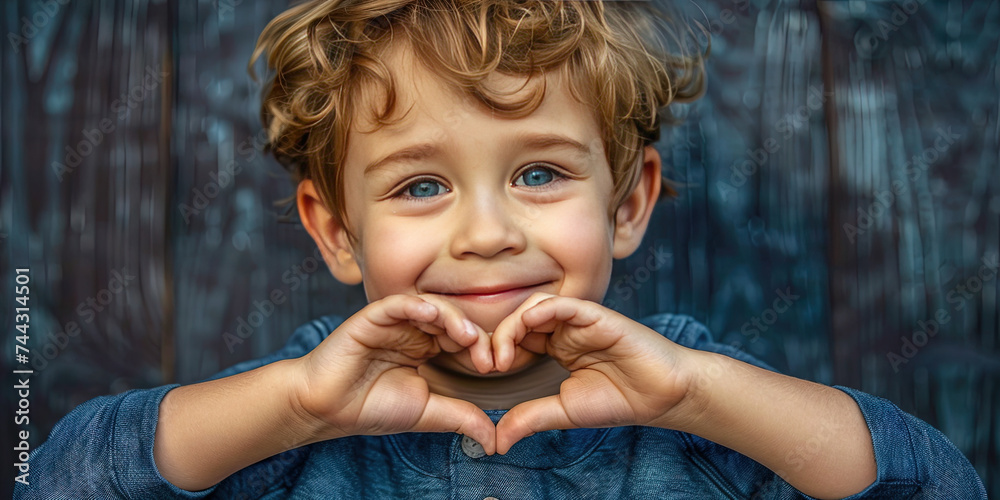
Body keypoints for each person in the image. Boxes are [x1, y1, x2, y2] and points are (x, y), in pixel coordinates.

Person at [17, 0, 986, 498]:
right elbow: (60, 480)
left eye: (537, 174)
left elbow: (939, 483)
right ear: (335, 230)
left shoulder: (698, 402)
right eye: (420, 185)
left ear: (629, 201)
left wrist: (696, 391)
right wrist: (298, 404)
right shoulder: (296, 411)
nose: (486, 233)